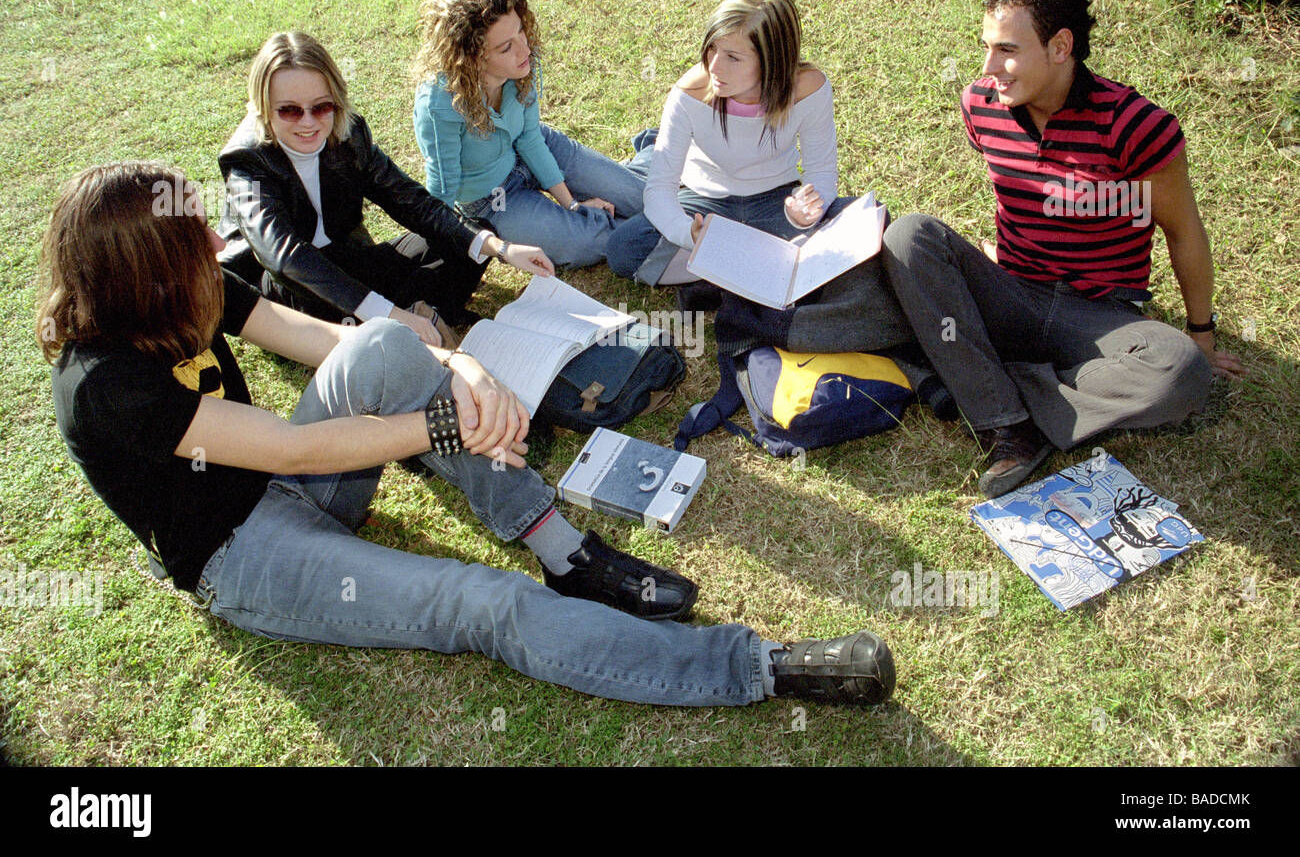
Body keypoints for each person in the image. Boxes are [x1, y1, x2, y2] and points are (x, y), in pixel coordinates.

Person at [39, 161, 896, 708]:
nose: (215, 246)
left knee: (383, 342)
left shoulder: (179, 285)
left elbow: (327, 342)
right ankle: (756, 666)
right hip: (241, 550)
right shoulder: (105, 386)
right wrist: (443, 417)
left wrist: (462, 370)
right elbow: (294, 450)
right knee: (480, 604)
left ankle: (563, 548)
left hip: (285, 476)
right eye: (193, 237)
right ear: (142, 273)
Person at [881, 0, 1247, 498]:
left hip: (1099, 318)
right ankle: (1007, 420)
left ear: (1060, 46)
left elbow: (1183, 230)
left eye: (1006, 49)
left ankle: (993, 387)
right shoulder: (982, 105)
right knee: (906, 236)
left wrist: (1201, 333)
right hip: (1012, 290)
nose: (990, 67)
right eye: (986, 47)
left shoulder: (1135, 125)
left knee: (1180, 373)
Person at [218, 31, 553, 348]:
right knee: (353, 299)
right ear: (263, 105)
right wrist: (387, 311)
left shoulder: (348, 133)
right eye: (289, 110)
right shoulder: (247, 160)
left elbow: (412, 202)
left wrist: (502, 249)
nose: (308, 122)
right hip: (292, 288)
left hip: (350, 259)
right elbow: (284, 257)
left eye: (321, 107)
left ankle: (402, 317)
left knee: (473, 239)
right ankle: (399, 316)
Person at [605, 0, 849, 290]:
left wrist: (804, 216)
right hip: (706, 204)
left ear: (772, 59)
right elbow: (658, 192)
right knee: (625, 248)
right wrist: (688, 234)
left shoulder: (807, 89)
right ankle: (766, 264)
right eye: (712, 48)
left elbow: (822, 173)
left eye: (733, 57)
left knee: (863, 218)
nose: (715, 65)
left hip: (776, 201)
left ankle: (728, 269)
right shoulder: (690, 94)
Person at [412, 0, 646, 269]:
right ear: (471, 57)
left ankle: (648, 165)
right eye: (506, 47)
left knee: (642, 199)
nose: (525, 50)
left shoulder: (521, 63)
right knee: (590, 243)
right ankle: (649, 225)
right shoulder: (440, 103)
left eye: (521, 30)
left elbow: (531, 140)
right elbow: (442, 187)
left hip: (535, 147)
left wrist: (571, 203)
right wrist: (449, 243)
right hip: (493, 197)